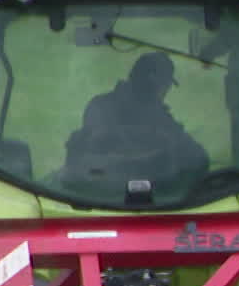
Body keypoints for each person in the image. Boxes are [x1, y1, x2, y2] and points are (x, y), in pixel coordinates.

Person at [62, 52, 209, 198]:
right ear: (155, 82)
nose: (166, 91)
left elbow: (80, 158)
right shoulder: (160, 119)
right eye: (166, 84)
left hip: (95, 195)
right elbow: (199, 158)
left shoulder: (98, 105)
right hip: (150, 198)